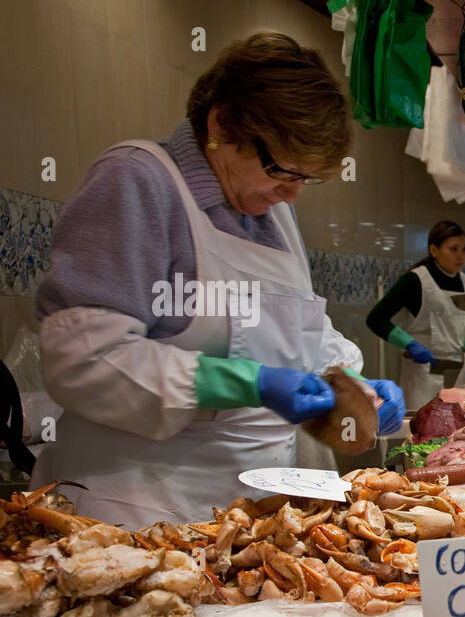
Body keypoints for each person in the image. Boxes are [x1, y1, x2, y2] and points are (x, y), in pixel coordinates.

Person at [32, 33, 404, 528]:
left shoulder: (273, 214)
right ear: (222, 126)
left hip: (250, 505)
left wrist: (349, 381)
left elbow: (300, 336)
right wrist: (241, 382)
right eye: (281, 170)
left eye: (305, 180)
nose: (291, 195)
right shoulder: (136, 180)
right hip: (141, 506)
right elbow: (83, 358)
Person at [366, 221, 465, 411]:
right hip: (423, 374)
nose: (461, 256)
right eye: (453, 249)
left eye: (464, 250)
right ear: (434, 250)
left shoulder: (464, 282)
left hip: (457, 372)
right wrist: (409, 344)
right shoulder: (416, 280)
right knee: (423, 428)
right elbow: (376, 318)